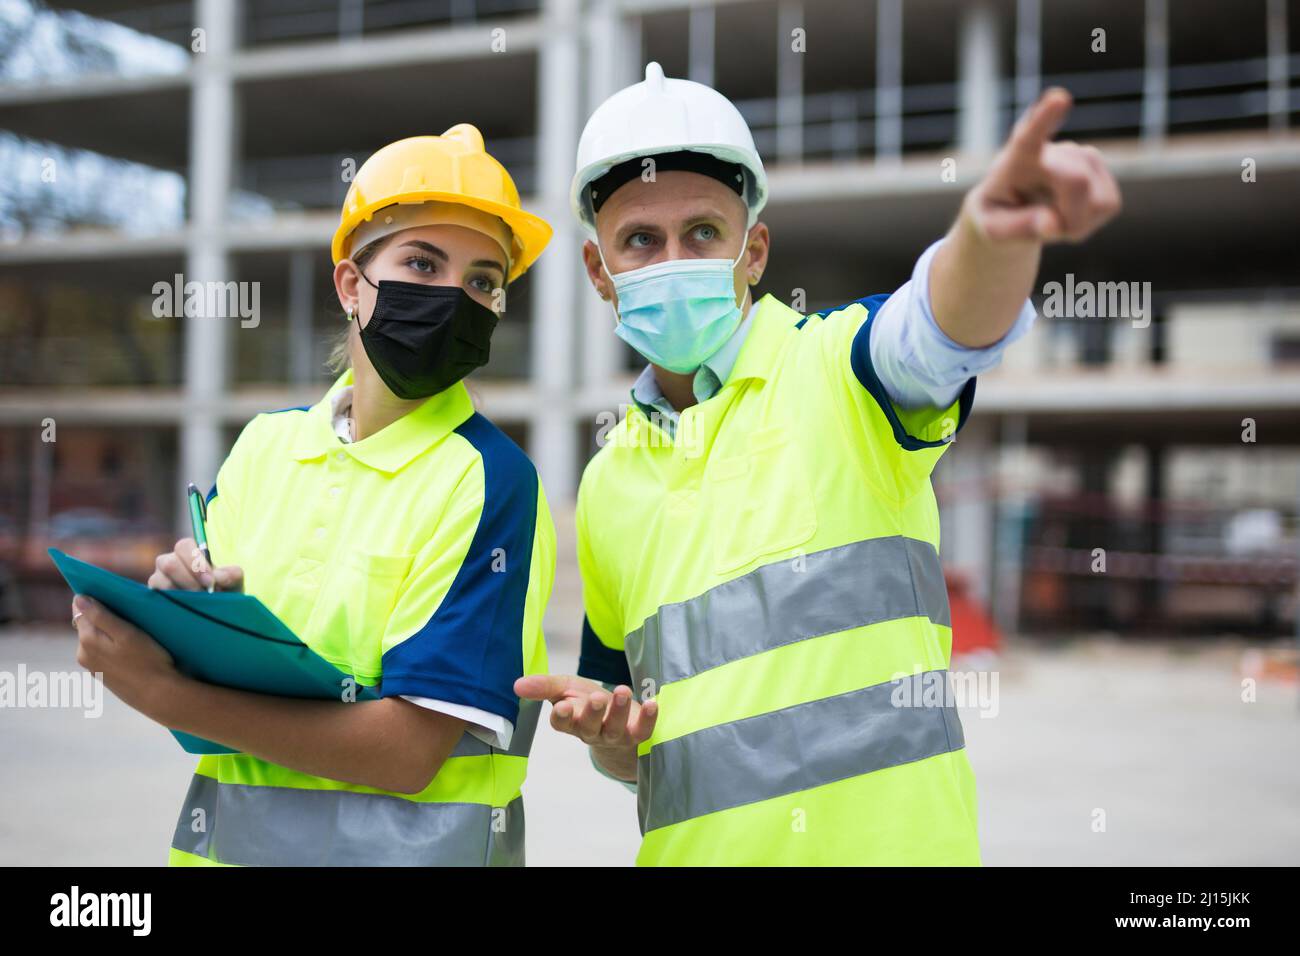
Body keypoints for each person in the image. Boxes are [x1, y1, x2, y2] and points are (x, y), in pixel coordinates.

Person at [517, 63, 1120, 865]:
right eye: (640, 241)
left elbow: (941, 329)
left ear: (754, 251)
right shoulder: (606, 484)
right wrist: (612, 742)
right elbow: (634, 744)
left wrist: (989, 234)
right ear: (600, 272)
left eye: (703, 233)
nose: (674, 261)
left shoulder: (843, 371)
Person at [69, 124, 557, 866]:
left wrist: (164, 692)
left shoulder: (490, 481)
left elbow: (408, 754)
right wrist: (182, 621)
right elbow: (218, 698)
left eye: (483, 281)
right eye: (422, 262)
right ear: (351, 285)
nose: (453, 296)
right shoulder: (265, 448)